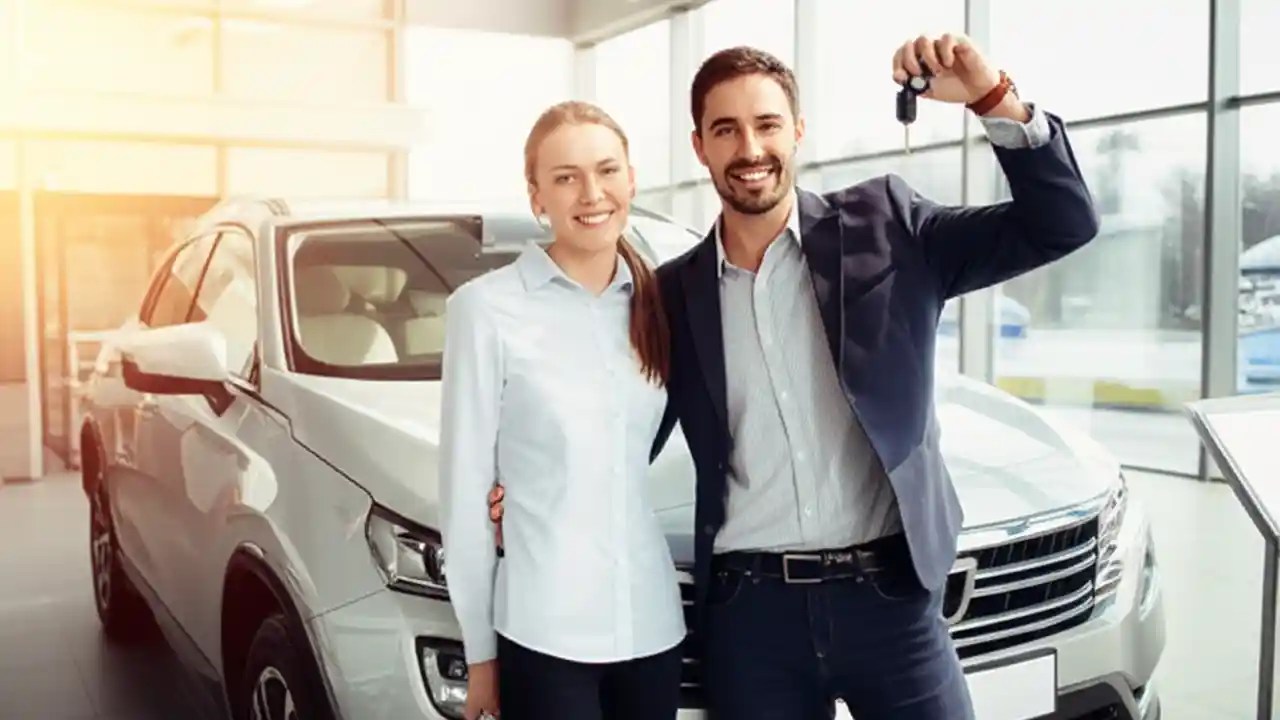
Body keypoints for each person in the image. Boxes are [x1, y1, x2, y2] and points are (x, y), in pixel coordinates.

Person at [491, 34, 1098, 719]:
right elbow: (618, 420)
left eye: (767, 124)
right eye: (727, 129)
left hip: (891, 604)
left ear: (798, 132)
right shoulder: (672, 295)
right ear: (700, 148)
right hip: (753, 620)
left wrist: (994, 98)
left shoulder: (889, 226)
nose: (750, 148)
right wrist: (529, 482)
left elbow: (1062, 224)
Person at [438, 100, 687, 720]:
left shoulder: (664, 304)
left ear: (632, 179)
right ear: (536, 196)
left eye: (607, 171)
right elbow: (464, 495)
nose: (591, 193)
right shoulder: (485, 309)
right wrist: (480, 656)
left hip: (652, 626)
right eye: (566, 176)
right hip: (544, 634)